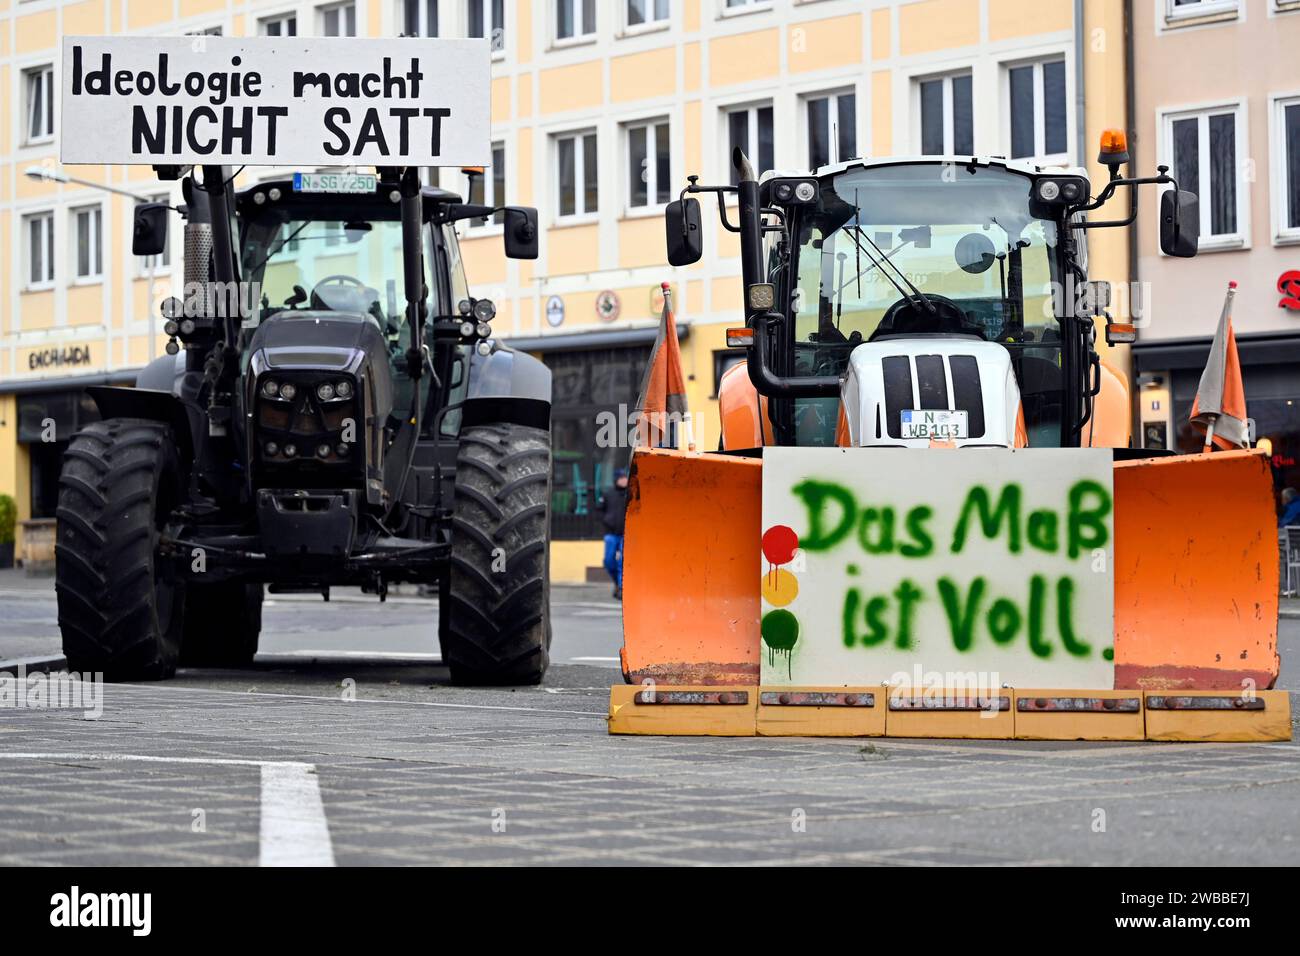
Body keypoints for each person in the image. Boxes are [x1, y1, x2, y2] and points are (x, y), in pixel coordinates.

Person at [599, 469, 629, 599]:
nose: (624, 480)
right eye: (621, 478)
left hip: (626, 535)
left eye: (625, 478)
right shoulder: (608, 494)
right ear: (616, 480)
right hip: (611, 534)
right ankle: (617, 583)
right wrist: (606, 521)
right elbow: (599, 511)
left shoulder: (631, 494)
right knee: (608, 561)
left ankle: (622, 588)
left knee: (622, 562)